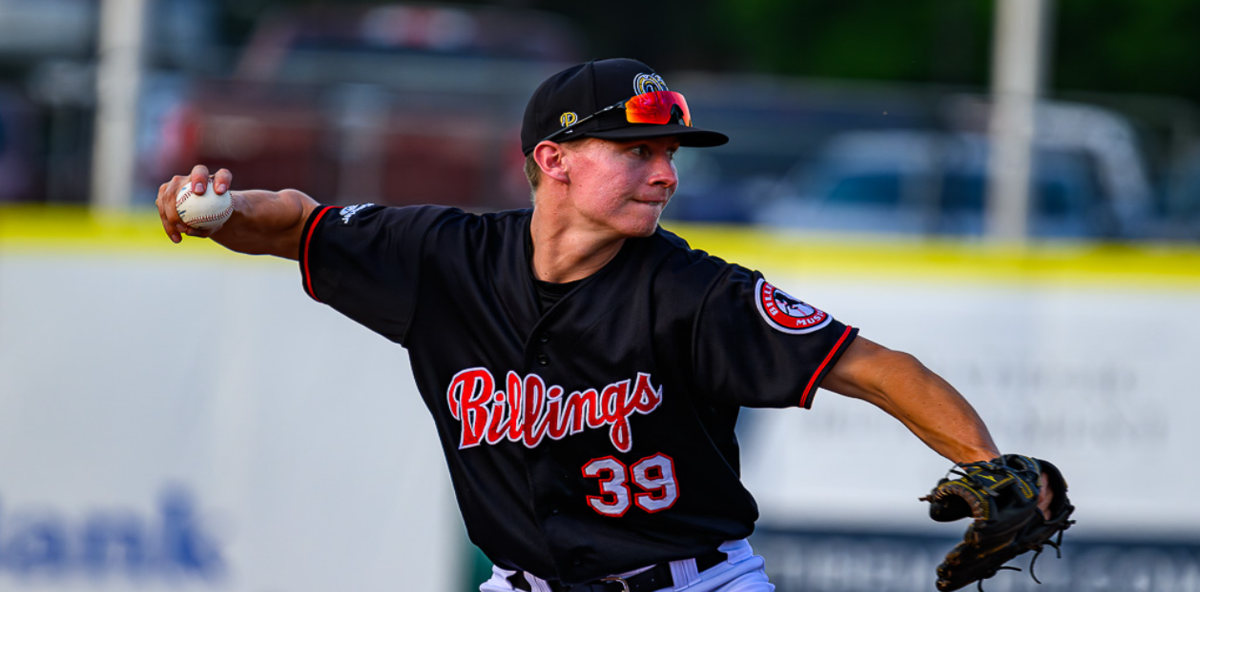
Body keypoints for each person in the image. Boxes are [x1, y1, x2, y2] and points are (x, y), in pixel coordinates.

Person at [155, 58, 1050, 592]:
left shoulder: (696, 294)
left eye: (668, 154)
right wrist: (222, 211)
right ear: (553, 160)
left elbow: (876, 366)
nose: (664, 174)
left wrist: (986, 463)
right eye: (636, 151)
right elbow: (299, 221)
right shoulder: (441, 258)